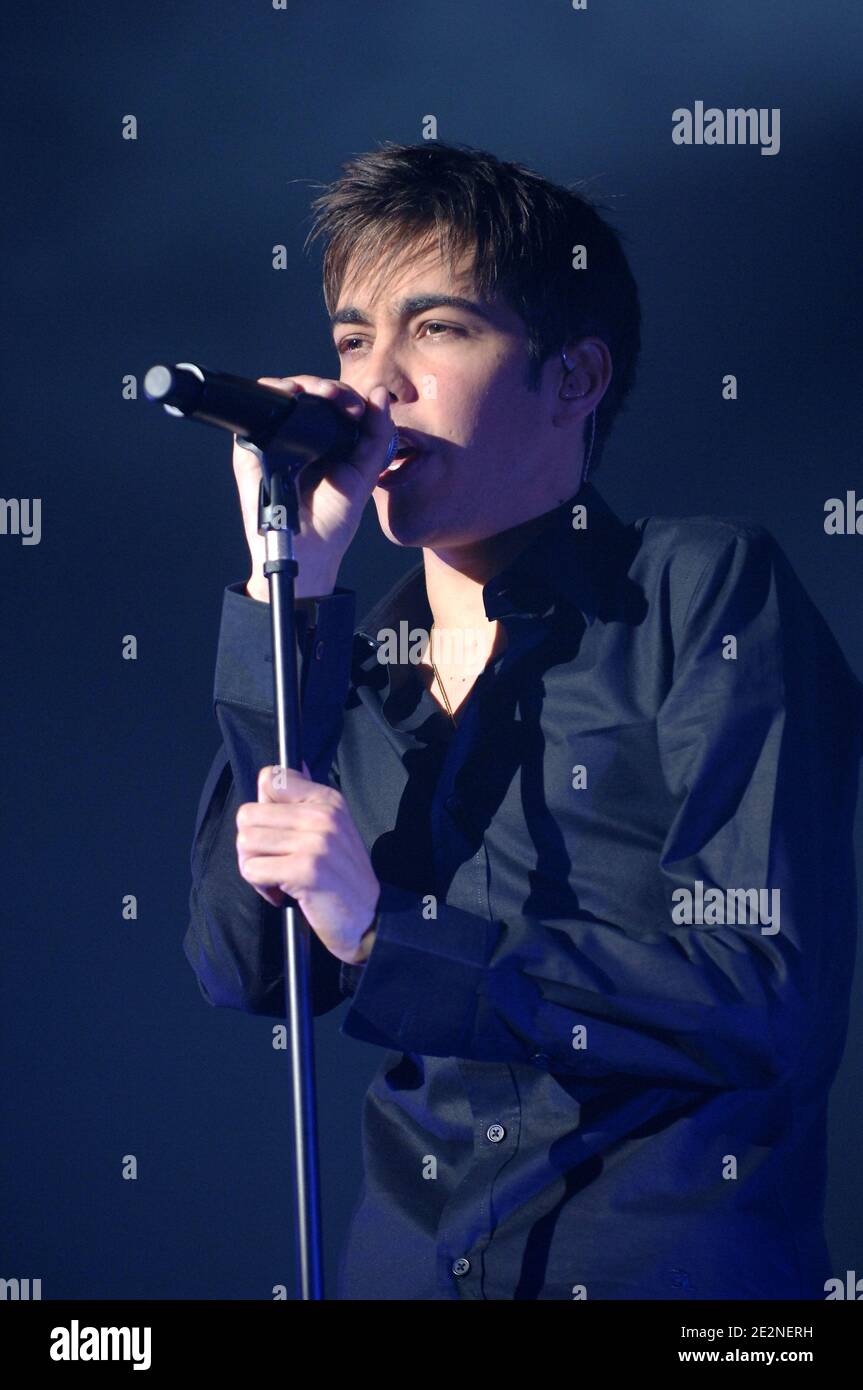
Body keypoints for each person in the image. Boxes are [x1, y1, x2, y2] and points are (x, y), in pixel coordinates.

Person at [183, 141, 863, 1300]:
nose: (373, 385)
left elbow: (765, 993)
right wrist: (281, 597)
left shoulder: (701, 591)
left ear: (574, 376)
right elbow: (244, 964)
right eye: (353, 339)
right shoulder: (351, 668)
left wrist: (387, 932)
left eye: (436, 329)